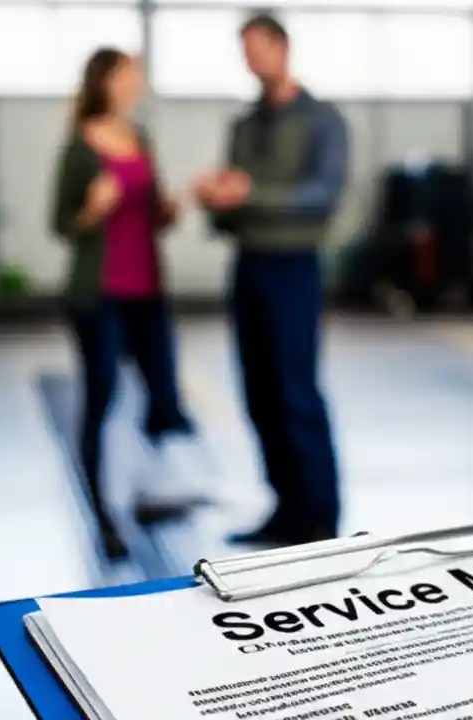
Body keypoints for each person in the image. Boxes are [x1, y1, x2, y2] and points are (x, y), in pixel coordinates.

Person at [195, 13, 348, 546]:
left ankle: (321, 517)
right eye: (244, 51)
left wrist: (249, 195)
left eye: (258, 48)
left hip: (294, 266)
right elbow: (232, 205)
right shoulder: (243, 126)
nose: (251, 60)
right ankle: (285, 508)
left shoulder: (321, 120)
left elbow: (322, 194)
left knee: (295, 389)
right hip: (250, 264)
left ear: (283, 48)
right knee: (259, 391)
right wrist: (216, 200)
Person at [51, 48, 209, 560]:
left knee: (158, 395)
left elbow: (151, 214)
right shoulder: (79, 147)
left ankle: (146, 495)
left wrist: (171, 209)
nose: (136, 83)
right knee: (103, 398)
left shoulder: (140, 138)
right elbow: (61, 223)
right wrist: (92, 210)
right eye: (128, 75)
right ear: (105, 81)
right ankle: (104, 515)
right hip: (99, 293)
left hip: (147, 290)